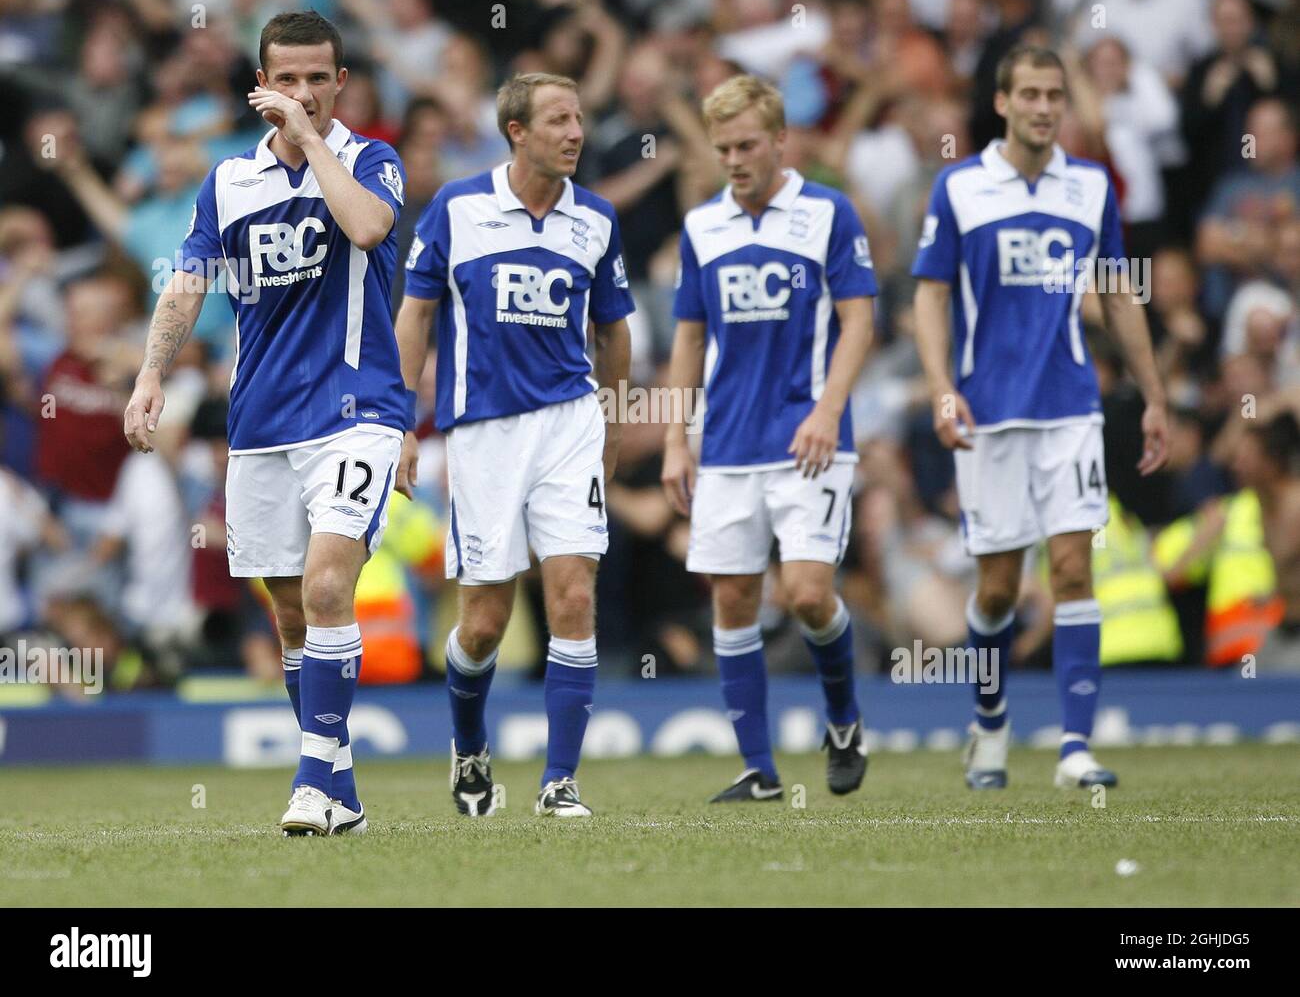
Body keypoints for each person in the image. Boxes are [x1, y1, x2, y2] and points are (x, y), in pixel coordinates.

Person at [123, 11, 410, 836]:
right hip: (260, 423)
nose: (304, 93)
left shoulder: (370, 162)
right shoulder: (228, 184)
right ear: (261, 84)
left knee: (328, 586)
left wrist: (312, 140)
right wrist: (150, 374)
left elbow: (366, 228)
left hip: (357, 413)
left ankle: (311, 782)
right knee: (291, 613)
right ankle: (341, 783)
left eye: (319, 78)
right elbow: (186, 285)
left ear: (341, 83)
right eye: (287, 79)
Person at [911, 45, 1169, 791]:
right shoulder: (960, 188)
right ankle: (989, 725)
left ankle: (1075, 748)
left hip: (1068, 406)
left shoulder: (1090, 186)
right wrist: (940, 387)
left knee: (1070, 571)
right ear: (1002, 102)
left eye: (1055, 93)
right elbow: (929, 294)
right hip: (988, 412)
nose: (1044, 106)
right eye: (1029, 93)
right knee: (998, 588)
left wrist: (1153, 396)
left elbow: (1118, 294)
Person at [395, 72, 634, 818]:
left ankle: (559, 783)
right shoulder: (457, 207)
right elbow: (415, 318)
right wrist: (402, 421)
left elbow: (614, 329)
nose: (575, 132)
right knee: (484, 622)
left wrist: (613, 420)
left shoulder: (596, 220)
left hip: (568, 424)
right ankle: (469, 750)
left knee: (571, 594)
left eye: (580, 118)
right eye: (558, 119)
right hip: (483, 434)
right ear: (516, 131)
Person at [660, 74, 877, 802]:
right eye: (723, 148)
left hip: (808, 440)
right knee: (732, 599)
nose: (735, 159)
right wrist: (675, 439)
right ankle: (759, 769)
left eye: (747, 144)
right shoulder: (703, 226)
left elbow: (861, 321)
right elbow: (688, 341)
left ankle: (843, 720)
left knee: (810, 594)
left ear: (782, 140)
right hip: (726, 442)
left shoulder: (828, 213)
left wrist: (827, 409)